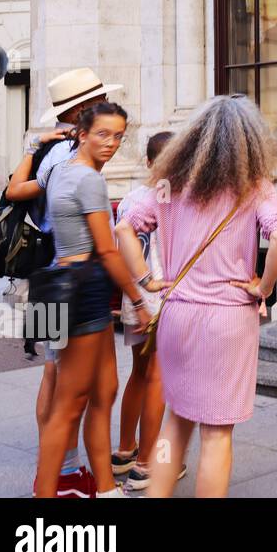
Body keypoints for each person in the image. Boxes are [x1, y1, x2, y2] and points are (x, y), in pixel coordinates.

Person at [114, 95, 277, 498]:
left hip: (177, 312)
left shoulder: (169, 184)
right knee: (216, 434)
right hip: (228, 318)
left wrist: (145, 279)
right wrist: (263, 287)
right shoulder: (255, 187)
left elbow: (124, 228)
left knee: (175, 423)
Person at [7, 67, 124, 498]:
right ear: (81, 113)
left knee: (55, 375)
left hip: (47, 280)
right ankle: (59, 475)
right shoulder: (74, 157)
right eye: (96, 105)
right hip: (72, 280)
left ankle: (62, 471)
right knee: (66, 386)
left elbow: (14, 191)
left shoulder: (51, 153)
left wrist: (32, 147)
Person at [33, 102, 151, 498]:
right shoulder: (89, 180)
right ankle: (45, 495)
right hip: (83, 288)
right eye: (103, 134)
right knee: (71, 403)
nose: (112, 143)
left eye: (118, 135)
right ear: (82, 134)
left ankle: (104, 488)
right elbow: (107, 250)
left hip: (57, 287)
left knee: (103, 392)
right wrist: (138, 298)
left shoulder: (58, 170)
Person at [112, 130, 181, 493]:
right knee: (157, 377)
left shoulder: (131, 198)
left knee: (139, 373)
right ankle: (146, 463)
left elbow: (119, 242)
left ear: (148, 162)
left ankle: (125, 449)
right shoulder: (173, 199)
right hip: (160, 297)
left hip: (133, 296)